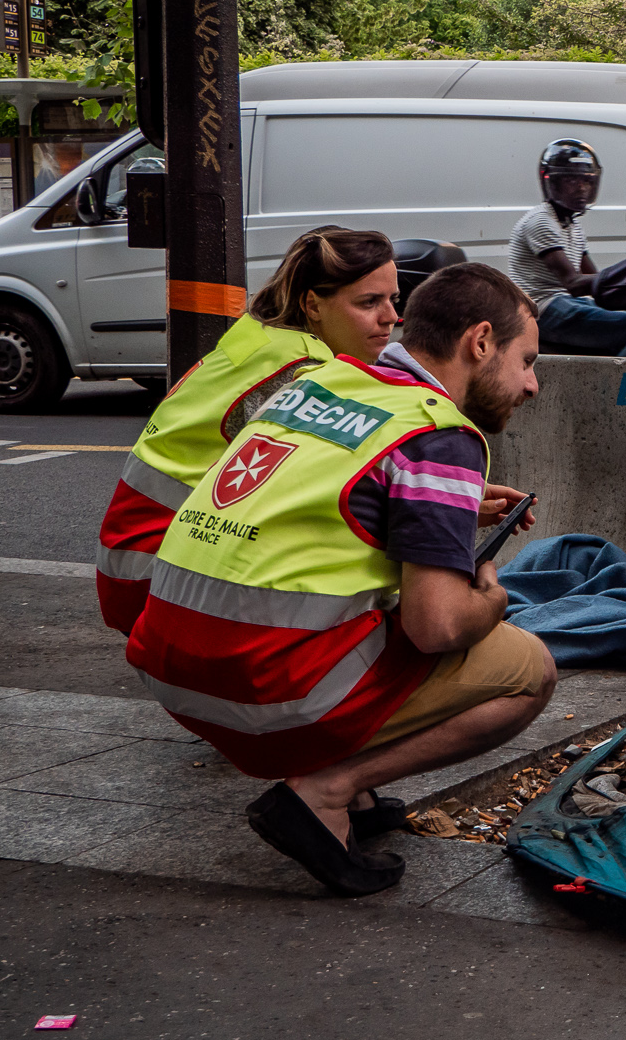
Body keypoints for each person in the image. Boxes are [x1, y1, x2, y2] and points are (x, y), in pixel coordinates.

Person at [127, 263, 554, 896]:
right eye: (526, 360)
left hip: (174, 671)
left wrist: (449, 506)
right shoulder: (440, 435)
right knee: (528, 671)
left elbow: (326, 504)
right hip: (257, 689)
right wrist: (492, 596)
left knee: (369, 601)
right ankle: (326, 793)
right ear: (481, 341)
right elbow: (435, 627)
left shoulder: (328, 380)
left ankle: (352, 792)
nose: (533, 385)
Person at [97, 228, 402, 635]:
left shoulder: (260, 337)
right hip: (164, 574)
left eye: (393, 300)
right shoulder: (304, 372)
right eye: (369, 302)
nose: (391, 317)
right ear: (312, 304)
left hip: (130, 561)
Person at [509, 138, 626, 356]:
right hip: (542, 310)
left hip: (566, 303)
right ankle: (618, 389)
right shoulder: (541, 221)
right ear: (552, 182)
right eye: (571, 181)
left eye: (586, 181)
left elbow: (595, 276)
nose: (581, 189)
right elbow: (573, 282)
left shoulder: (571, 224)